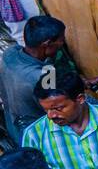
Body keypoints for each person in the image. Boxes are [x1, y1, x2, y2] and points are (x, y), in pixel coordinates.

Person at [0, 15, 69, 144]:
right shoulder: (43, 76)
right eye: (61, 39)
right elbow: (67, 105)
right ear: (47, 44)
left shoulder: (10, 53)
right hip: (38, 136)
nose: (63, 42)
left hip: (14, 128)